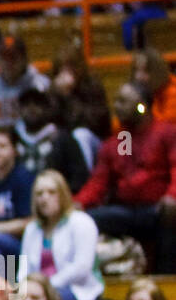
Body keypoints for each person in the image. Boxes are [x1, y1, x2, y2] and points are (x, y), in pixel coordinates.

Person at [75, 82, 176, 275]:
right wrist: (77, 204)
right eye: (116, 101)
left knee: (171, 213)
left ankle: (167, 278)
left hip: (157, 209)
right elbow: (98, 183)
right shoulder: (120, 140)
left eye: (123, 101)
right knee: (85, 219)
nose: (117, 106)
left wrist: (173, 195)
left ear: (142, 106)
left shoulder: (166, 132)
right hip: (126, 210)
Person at [19, 169, 104, 300]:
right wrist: (21, 287)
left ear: (63, 194)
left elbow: (81, 268)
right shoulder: (32, 228)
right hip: (37, 291)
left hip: (76, 290)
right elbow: (24, 268)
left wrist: (47, 287)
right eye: (39, 194)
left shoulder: (81, 222)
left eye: (52, 192)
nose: (45, 198)